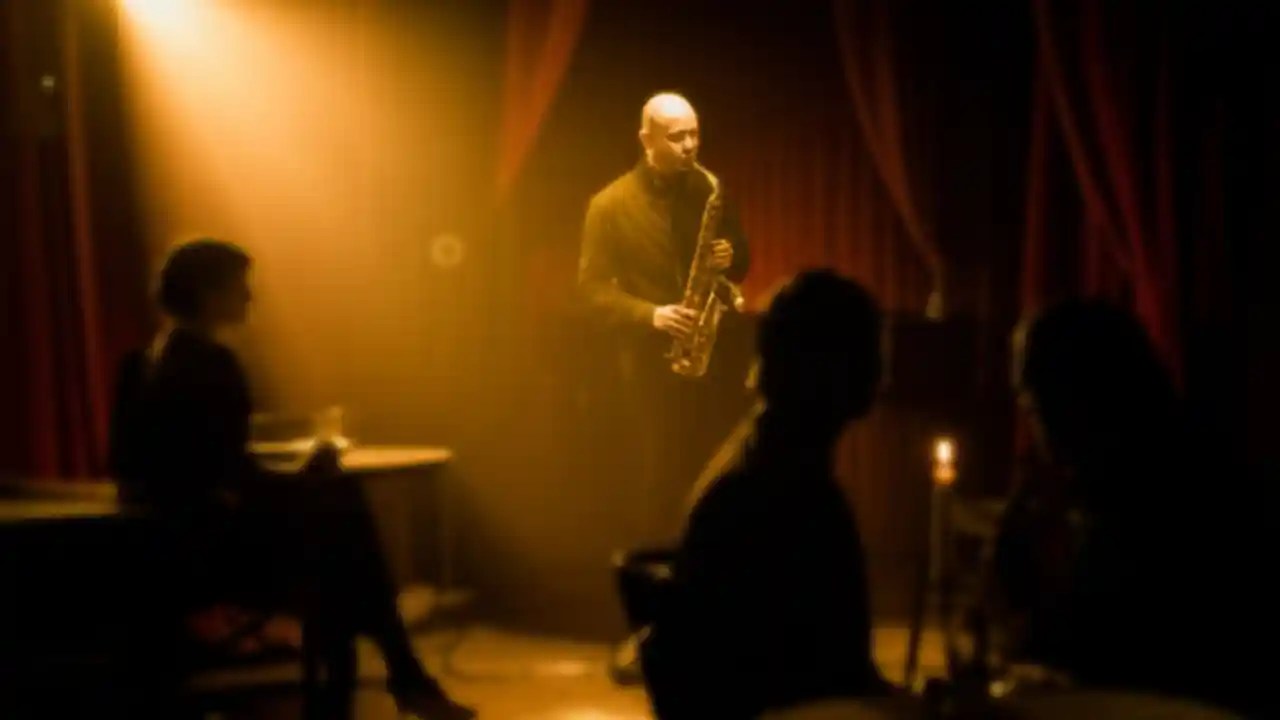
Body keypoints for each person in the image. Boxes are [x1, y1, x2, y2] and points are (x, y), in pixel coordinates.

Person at [109, 238, 475, 720]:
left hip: (169, 540)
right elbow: (234, 477)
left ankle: (398, 677)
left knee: (341, 529)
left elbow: (154, 464)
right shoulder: (214, 363)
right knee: (346, 525)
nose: (249, 298)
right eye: (239, 288)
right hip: (218, 549)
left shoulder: (140, 364)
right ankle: (400, 676)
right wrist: (306, 473)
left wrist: (289, 479)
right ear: (206, 293)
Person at [641, 269, 893, 719]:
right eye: (870, 353)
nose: (882, 372)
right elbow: (825, 682)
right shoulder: (786, 496)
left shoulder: (766, 464)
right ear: (830, 364)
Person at [996, 299, 1267, 716]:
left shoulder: (1182, 494)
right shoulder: (1077, 485)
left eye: (1040, 399)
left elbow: (1108, 650)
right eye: (1029, 403)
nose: (1039, 425)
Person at [579, 91, 752, 544]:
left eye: (695, 134)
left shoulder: (711, 191)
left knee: (717, 476)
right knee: (658, 478)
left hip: (711, 360)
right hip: (646, 366)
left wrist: (731, 256)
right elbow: (591, 292)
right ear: (646, 139)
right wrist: (652, 315)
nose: (691, 145)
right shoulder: (609, 205)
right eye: (677, 137)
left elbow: (742, 262)